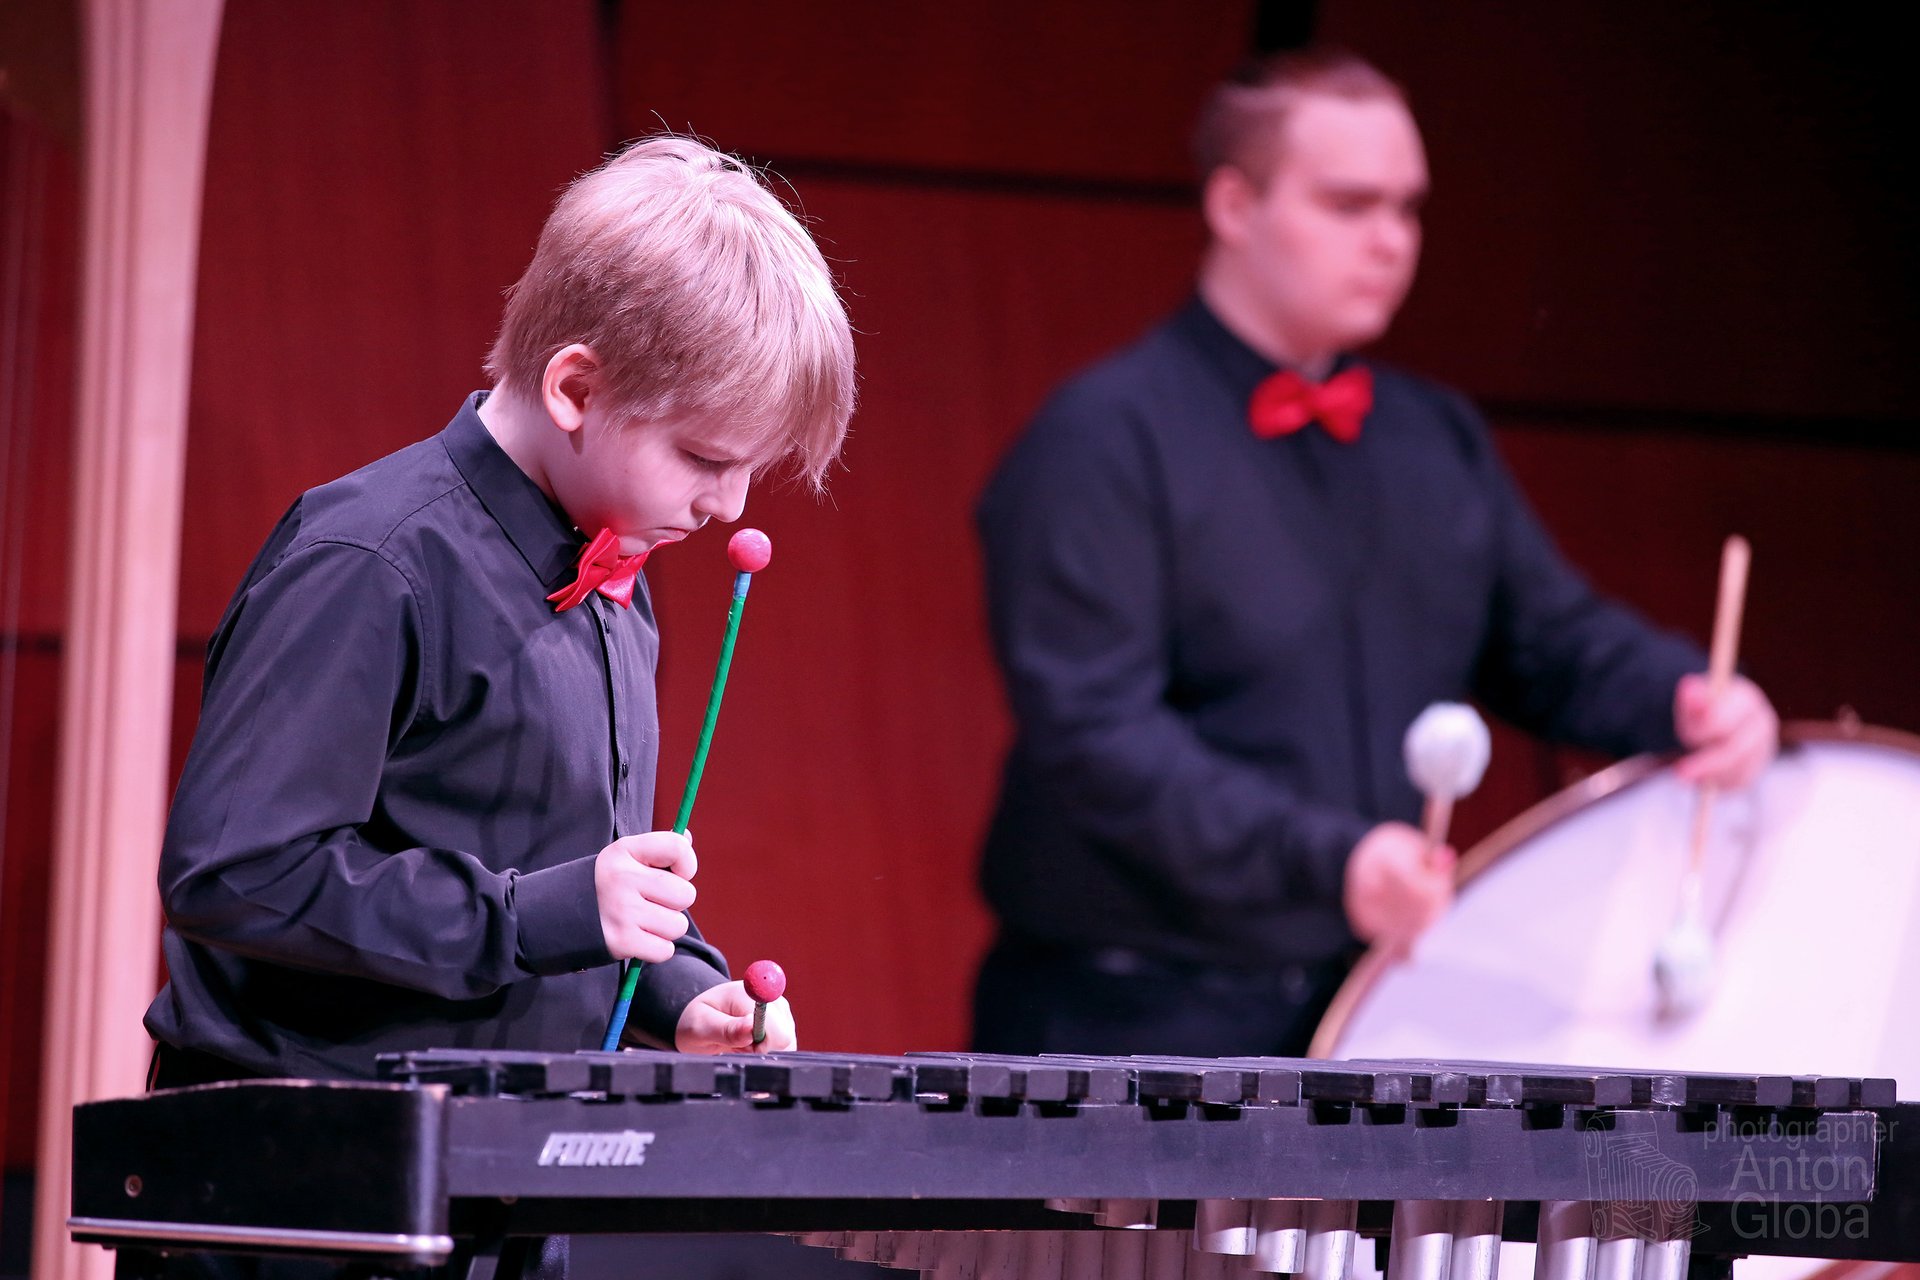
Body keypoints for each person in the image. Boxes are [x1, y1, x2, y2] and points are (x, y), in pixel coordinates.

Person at [970, 51, 1777, 1059]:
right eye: (1351, 205)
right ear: (1233, 203)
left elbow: (1551, 640)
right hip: (1128, 1013)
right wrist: (1332, 862)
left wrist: (1685, 695)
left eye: (1407, 208)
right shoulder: (1102, 439)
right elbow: (1096, 734)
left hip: (1366, 1007)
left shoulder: (1432, 437)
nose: (1392, 241)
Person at [140, 136, 854, 1096]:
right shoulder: (371, 561)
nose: (728, 506)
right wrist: (543, 917)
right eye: (705, 459)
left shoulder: (618, 571)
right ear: (576, 390)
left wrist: (674, 989)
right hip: (308, 1180)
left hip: (511, 1158)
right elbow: (235, 877)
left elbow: (557, 878)